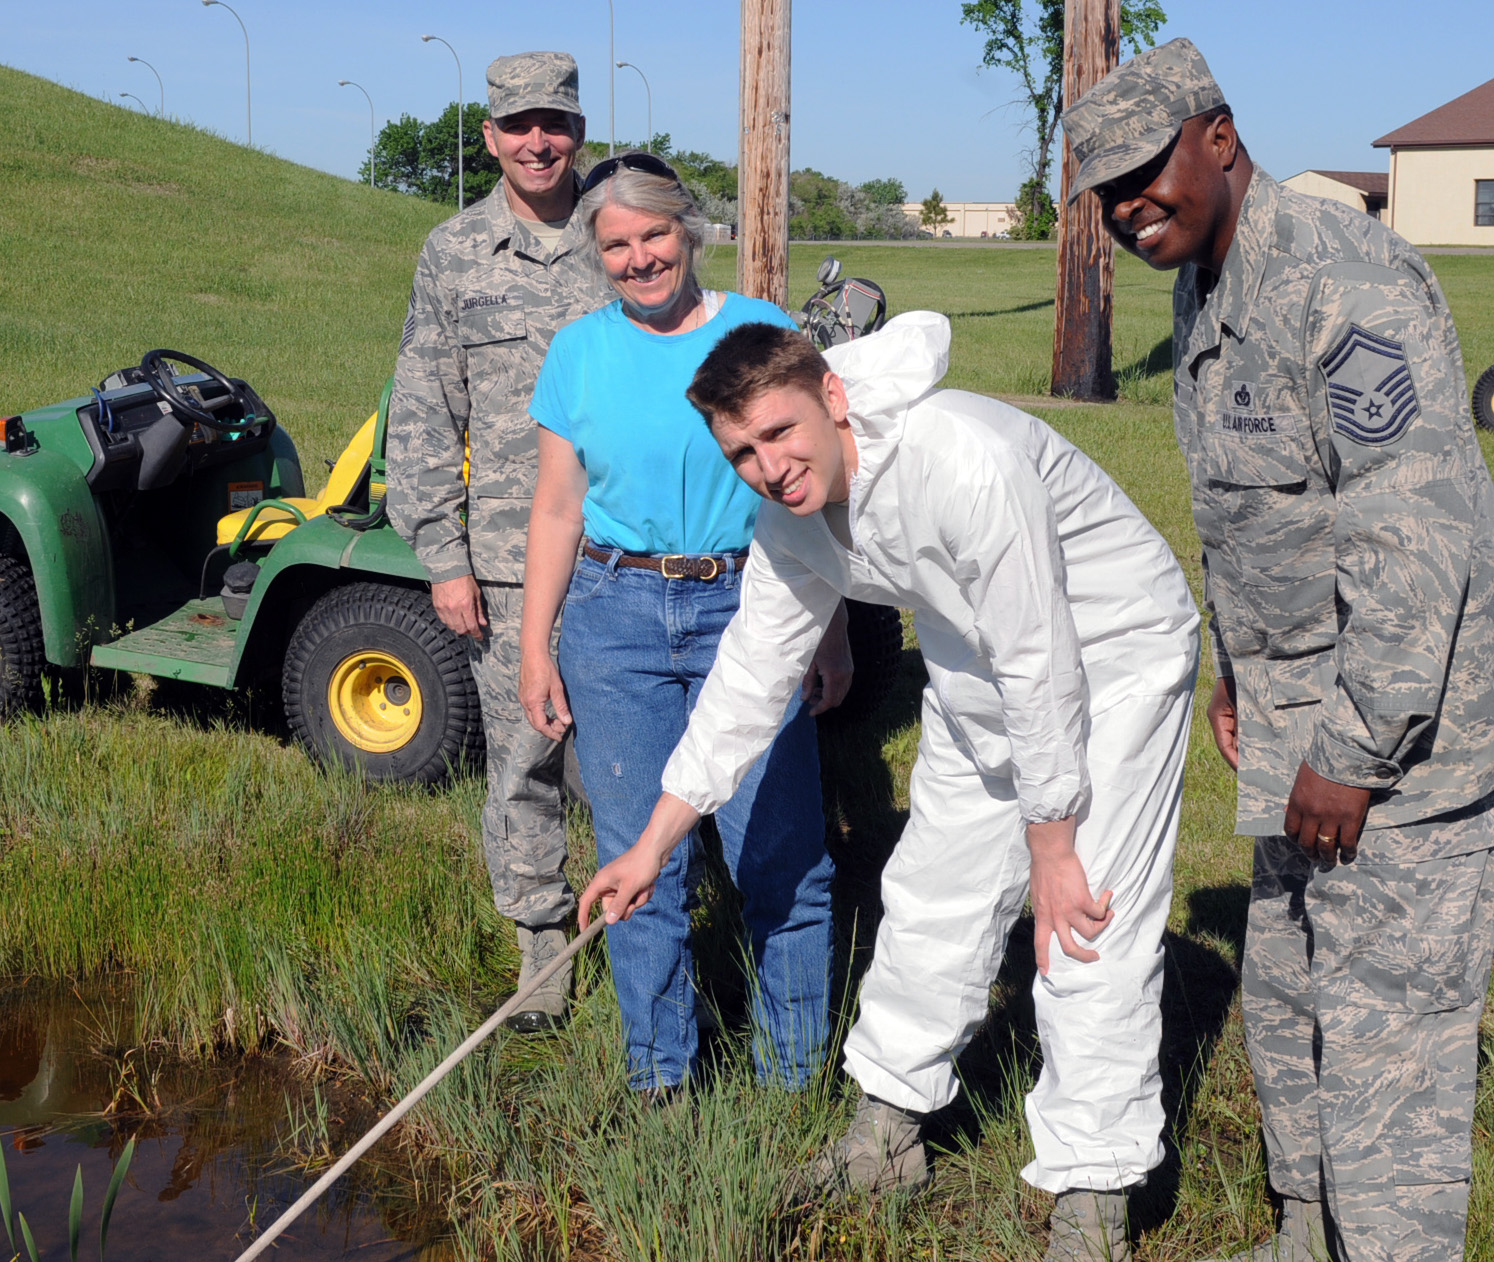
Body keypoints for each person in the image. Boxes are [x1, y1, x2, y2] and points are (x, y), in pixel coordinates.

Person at [580, 313, 1200, 1261]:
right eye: (741, 452)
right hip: (977, 656)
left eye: (779, 432)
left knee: (1083, 920)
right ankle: (887, 1133)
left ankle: (1095, 1190)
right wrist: (651, 847)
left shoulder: (960, 458)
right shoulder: (788, 522)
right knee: (933, 889)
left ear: (831, 398)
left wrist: (1052, 842)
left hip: (1113, 650)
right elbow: (748, 679)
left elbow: (1040, 652)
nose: (768, 467)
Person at [1063, 38, 1494, 1262]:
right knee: (1296, 986)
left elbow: (1414, 536)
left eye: (1143, 172)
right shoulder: (1207, 279)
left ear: (1219, 137)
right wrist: (1236, 670)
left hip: (1395, 750)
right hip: (1296, 716)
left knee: (1385, 1041)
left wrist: (1353, 753)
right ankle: (1309, 1229)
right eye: (1104, 192)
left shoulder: (1343, 280)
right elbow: (1252, 511)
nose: (1127, 206)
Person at [519, 154, 850, 1094]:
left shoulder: (762, 330)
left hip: (753, 605)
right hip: (614, 616)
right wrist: (536, 648)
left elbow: (816, 496)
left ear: (689, 231)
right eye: (616, 245)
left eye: (654, 235)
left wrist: (829, 634)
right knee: (641, 864)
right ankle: (660, 1077)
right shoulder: (577, 353)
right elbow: (557, 508)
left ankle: (791, 1085)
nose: (639, 259)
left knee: (779, 859)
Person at [386, 52, 615, 1033]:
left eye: (554, 122)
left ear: (578, 131)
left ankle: (646, 930)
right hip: (511, 564)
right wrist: (444, 557)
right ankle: (541, 947)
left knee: (633, 757)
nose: (538, 141)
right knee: (524, 760)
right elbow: (423, 408)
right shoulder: (454, 252)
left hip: (628, 552)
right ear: (489, 136)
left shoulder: (622, 231)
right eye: (518, 124)